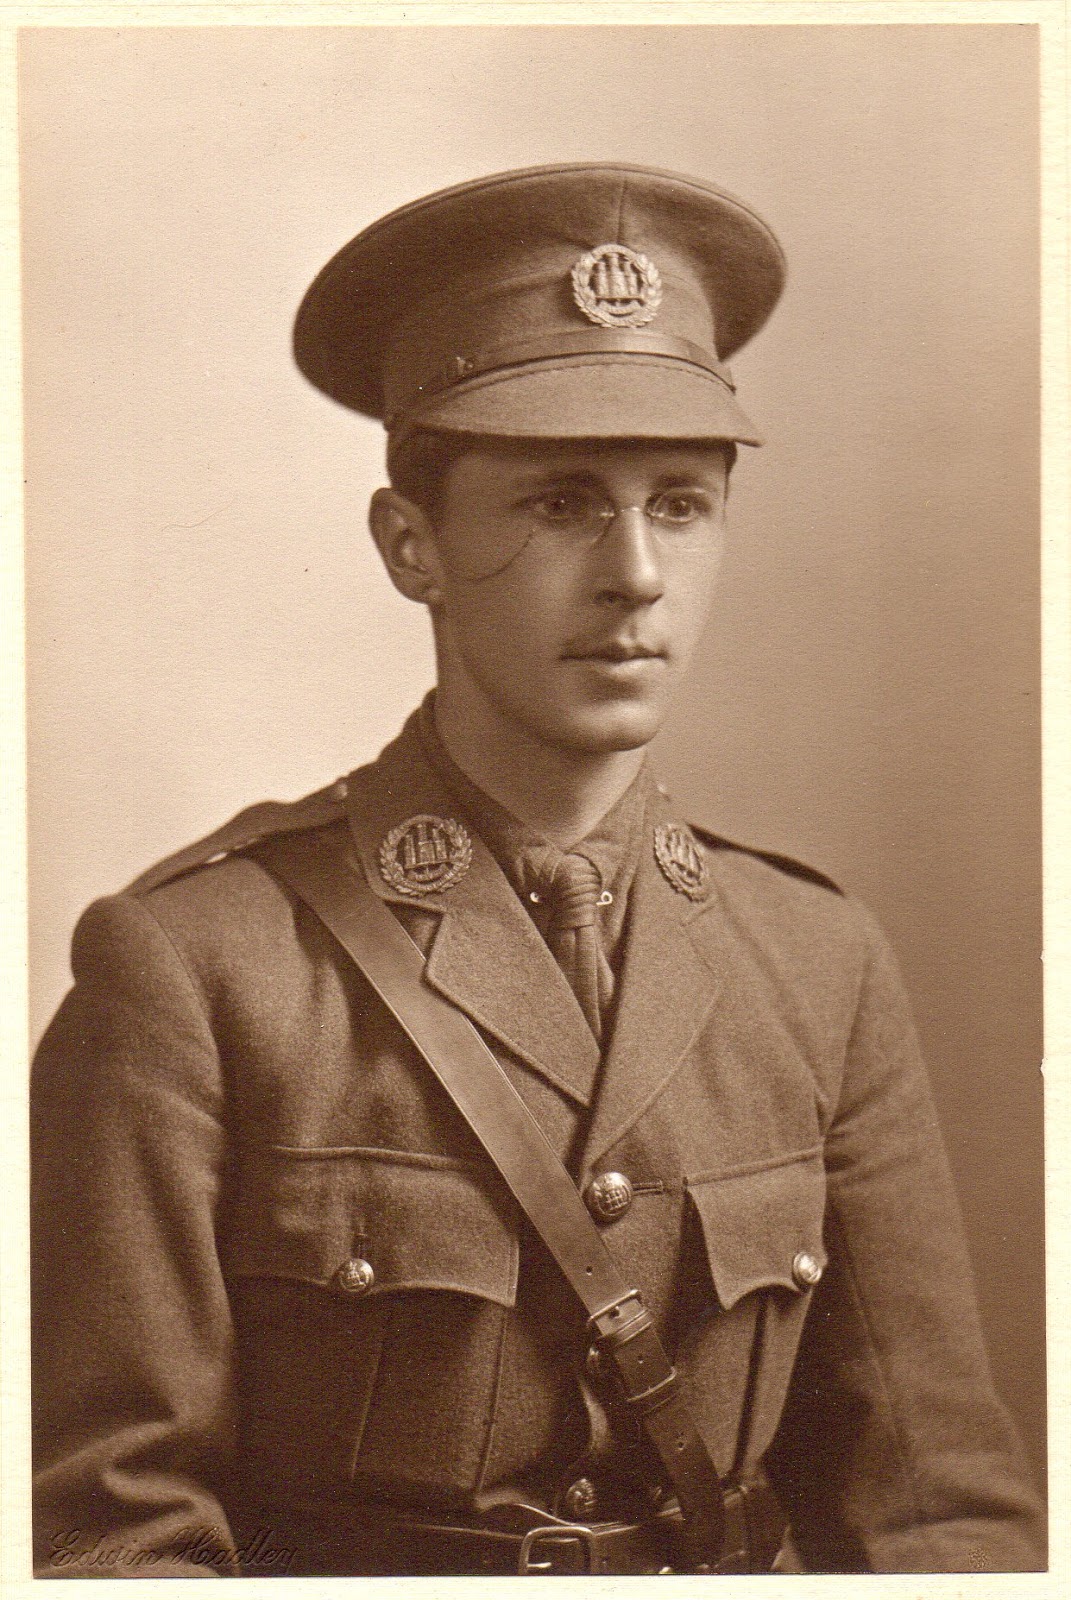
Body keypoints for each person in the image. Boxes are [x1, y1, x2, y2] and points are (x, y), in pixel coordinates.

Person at [31, 162, 1045, 1577]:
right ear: (411, 546)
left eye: (680, 503)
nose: (636, 572)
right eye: (564, 504)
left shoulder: (818, 962)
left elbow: (938, 1513)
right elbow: (106, 1537)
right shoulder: (198, 969)